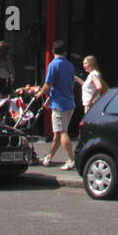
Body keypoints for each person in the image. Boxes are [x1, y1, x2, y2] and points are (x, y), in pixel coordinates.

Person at [38, 40, 77, 169]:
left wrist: (39, 94)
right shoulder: (70, 65)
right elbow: (72, 83)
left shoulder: (53, 65)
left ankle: (71, 159)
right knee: (58, 133)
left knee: (62, 131)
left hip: (58, 103)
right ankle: (49, 157)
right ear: (65, 52)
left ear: (53, 51)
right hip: (70, 102)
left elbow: (48, 84)